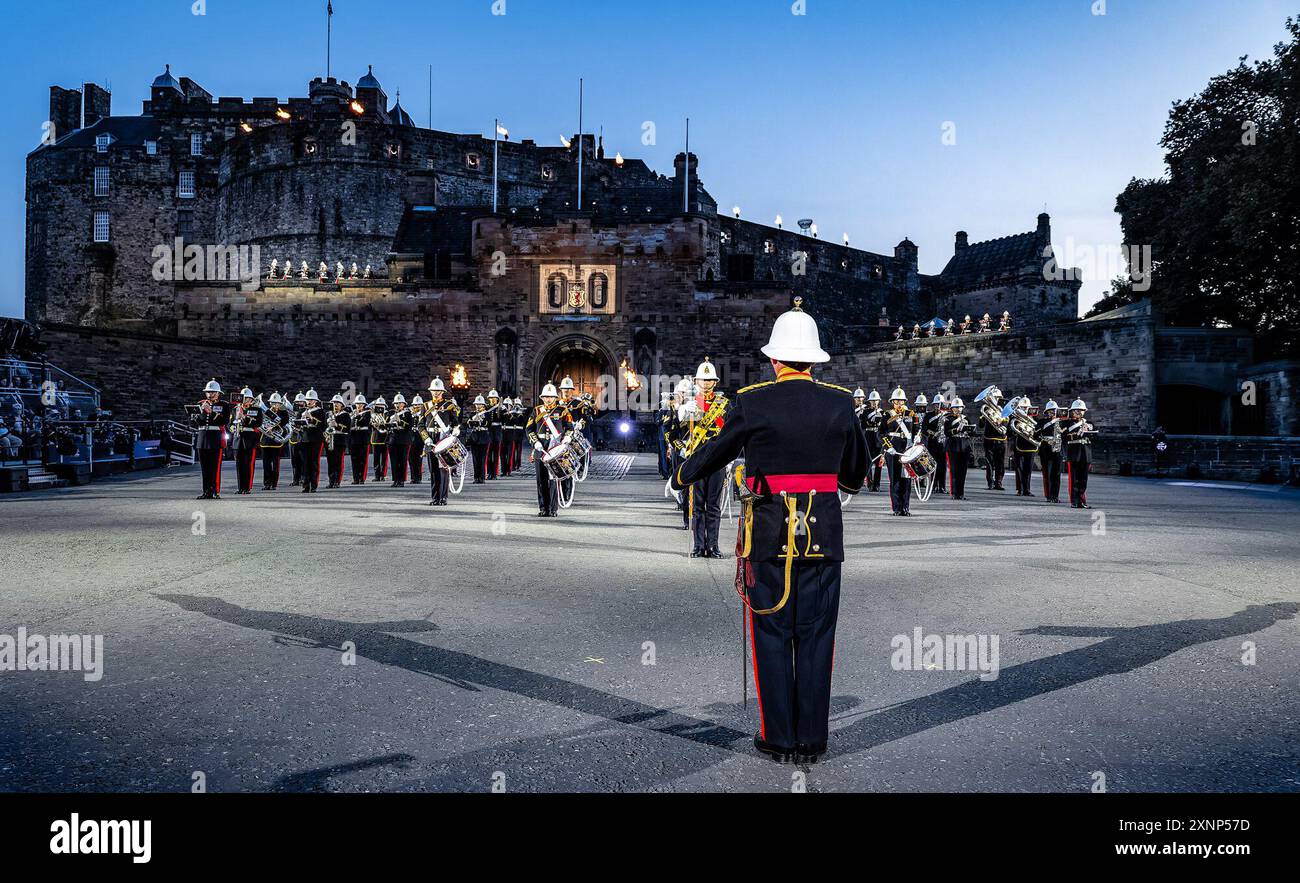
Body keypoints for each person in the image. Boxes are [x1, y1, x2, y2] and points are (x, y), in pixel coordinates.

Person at [671, 297, 867, 765]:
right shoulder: (840, 404)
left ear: (775, 359)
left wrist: (683, 474)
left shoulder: (752, 402)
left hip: (768, 536)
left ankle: (778, 738)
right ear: (814, 360)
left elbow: (715, 451)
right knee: (818, 636)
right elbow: (855, 473)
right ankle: (812, 741)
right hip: (822, 536)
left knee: (772, 633)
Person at [683, 358, 729, 558]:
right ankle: (698, 545)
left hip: (717, 459)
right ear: (696, 382)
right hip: (698, 458)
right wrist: (686, 415)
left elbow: (729, 433)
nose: (706, 383)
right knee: (697, 503)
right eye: (703, 380)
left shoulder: (725, 405)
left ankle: (714, 545)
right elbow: (678, 432)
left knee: (714, 504)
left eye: (710, 380)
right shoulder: (689, 405)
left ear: (715, 382)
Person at [526, 383, 573, 517]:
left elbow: (570, 427)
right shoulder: (536, 411)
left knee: (554, 479)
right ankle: (543, 508)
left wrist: (567, 438)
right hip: (540, 449)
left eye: (550, 397)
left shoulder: (562, 410)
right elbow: (529, 429)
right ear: (542, 397)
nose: (548, 399)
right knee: (541, 480)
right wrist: (535, 442)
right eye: (546, 397)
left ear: (555, 397)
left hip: (555, 448)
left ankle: (553, 509)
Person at [424, 378, 462, 506]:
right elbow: (420, 425)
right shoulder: (426, 406)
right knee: (433, 471)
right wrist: (426, 438)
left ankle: (443, 497)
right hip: (431, 442)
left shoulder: (448, 405)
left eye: (438, 391)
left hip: (443, 440)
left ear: (442, 392)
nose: (436, 393)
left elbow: (455, 423)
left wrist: (456, 431)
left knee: (444, 470)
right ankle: (435, 497)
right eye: (434, 391)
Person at [190, 379, 230, 500]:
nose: (210, 394)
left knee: (215, 467)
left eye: (213, 392)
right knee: (205, 468)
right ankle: (206, 491)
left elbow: (224, 421)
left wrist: (211, 412)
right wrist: (197, 415)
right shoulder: (201, 403)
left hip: (215, 437)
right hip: (202, 437)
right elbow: (196, 423)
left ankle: (215, 491)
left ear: (218, 393)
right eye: (208, 392)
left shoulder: (224, 405)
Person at [881, 388, 916, 516]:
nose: (899, 403)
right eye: (897, 401)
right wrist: (887, 446)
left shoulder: (911, 414)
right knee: (895, 479)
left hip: (907, 450)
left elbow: (917, 431)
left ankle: (905, 507)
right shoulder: (887, 415)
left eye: (901, 401)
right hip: (893, 450)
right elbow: (881, 433)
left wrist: (917, 439)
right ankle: (896, 508)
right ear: (893, 402)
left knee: (906, 480)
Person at [1064, 399, 1097, 509]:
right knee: (1074, 479)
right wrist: (1078, 433)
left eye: (1081, 410)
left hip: (1085, 453)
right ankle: (1074, 501)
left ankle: (1082, 500)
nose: (1079, 412)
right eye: (1077, 410)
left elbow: (1096, 437)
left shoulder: (1089, 423)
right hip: (1074, 453)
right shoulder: (1067, 423)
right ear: (1072, 411)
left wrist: (1088, 430)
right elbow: (1064, 437)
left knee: (1083, 480)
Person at [231, 388, 264, 495]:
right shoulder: (235, 409)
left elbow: (258, 423)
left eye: (247, 398)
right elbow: (230, 423)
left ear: (251, 399)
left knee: (248, 464)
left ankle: (247, 487)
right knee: (239, 464)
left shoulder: (256, 409)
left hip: (250, 438)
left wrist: (244, 418)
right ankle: (240, 487)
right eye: (243, 398)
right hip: (238, 438)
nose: (245, 400)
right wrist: (232, 427)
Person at [979, 386, 1008, 491]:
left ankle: (998, 483)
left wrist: (1001, 421)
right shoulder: (986, 409)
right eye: (993, 397)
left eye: (997, 397)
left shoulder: (1004, 409)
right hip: (989, 439)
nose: (995, 400)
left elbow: (1007, 423)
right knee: (989, 462)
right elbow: (981, 425)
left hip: (1001, 439)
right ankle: (990, 483)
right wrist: (985, 416)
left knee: (1000, 463)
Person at [944, 396, 973, 500]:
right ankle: (955, 493)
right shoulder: (948, 418)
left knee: (963, 471)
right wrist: (957, 430)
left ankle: (961, 493)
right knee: (954, 471)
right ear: (952, 408)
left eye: (960, 407)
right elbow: (946, 432)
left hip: (964, 446)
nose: (958, 409)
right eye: (956, 407)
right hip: (953, 446)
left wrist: (970, 430)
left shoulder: (966, 418)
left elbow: (971, 432)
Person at [299, 390, 327, 493]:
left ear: (315, 401)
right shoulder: (301, 411)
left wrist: (311, 418)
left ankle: (314, 485)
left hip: (316, 439)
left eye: (311, 400)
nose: (309, 402)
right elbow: (297, 425)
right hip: (304, 439)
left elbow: (323, 426)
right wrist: (301, 420)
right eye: (307, 400)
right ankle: (306, 485)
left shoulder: (320, 411)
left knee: (314, 462)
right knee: (305, 463)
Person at [260, 393, 290, 490]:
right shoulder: (265, 412)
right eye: (272, 403)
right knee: (266, 464)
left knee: (275, 464)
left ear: (280, 404)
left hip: (276, 441)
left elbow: (285, 423)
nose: (274, 405)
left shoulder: (283, 413)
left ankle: (274, 483)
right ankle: (266, 483)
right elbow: (261, 422)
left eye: (276, 403)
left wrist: (273, 427)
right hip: (265, 440)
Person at [1036, 400, 1063, 503]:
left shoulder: (1061, 421)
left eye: (1054, 410)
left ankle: (1055, 496)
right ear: (1047, 412)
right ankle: (1048, 495)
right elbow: (1036, 434)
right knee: (1047, 473)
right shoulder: (1042, 422)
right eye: (1050, 411)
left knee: (1056, 474)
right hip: (1046, 449)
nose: (1053, 412)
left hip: (1058, 449)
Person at [388, 393, 415, 487]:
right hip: (393, 440)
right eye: (396, 403)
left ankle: (401, 480)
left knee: (402, 460)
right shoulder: (391, 413)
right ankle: (395, 479)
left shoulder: (407, 414)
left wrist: (400, 422)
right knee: (394, 461)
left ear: (404, 404)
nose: (397, 405)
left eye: (399, 403)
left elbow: (409, 427)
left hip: (404, 440)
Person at [324, 393, 351, 489]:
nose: (335, 405)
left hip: (339, 440)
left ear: (342, 405)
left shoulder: (345, 415)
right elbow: (324, 427)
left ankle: (337, 481)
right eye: (333, 403)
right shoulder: (328, 414)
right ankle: (331, 481)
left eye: (337, 403)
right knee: (330, 462)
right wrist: (326, 435)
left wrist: (337, 425)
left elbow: (347, 429)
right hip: (329, 439)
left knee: (338, 462)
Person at [861, 389, 884, 492]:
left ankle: (877, 484)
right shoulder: (865, 412)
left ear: (879, 401)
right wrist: (871, 421)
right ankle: (870, 482)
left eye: (876, 400)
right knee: (869, 462)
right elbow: (863, 424)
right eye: (872, 401)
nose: (874, 402)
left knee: (879, 463)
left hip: (878, 439)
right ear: (869, 401)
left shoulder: (883, 412)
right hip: (869, 437)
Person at [926, 393, 948, 495]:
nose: (938, 406)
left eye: (939, 404)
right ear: (933, 405)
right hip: (932, 443)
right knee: (933, 466)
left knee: (942, 466)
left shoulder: (946, 415)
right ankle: (933, 486)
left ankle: (942, 487)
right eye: (936, 404)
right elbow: (924, 429)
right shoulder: (928, 415)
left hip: (942, 444)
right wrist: (933, 433)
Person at [466, 395, 491, 484]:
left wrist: (481, 420)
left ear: (483, 405)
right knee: (475, 459)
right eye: (477, 404)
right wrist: (470, 422)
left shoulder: (487, 414)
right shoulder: (472, 414)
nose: (478, 406)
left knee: (482, 458)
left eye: (480, 404)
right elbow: (468, 424)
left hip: (483, 437)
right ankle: (476, 477)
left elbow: (488, 423)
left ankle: (482, 477)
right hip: (475, 437)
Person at [347, 395, 372, 484]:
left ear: (364, 404)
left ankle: (362, 478)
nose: (359, 405)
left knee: (363, 459)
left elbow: (365, 422)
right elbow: (350, 425)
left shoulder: (367, 413)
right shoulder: (352, 413)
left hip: (363, 439)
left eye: (361, 404)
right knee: (354, 460)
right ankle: (355, 478)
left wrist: (357, 416)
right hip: (354, 438)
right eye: (357, 404)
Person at [369, 396, 391, 482]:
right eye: (378, 405)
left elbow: (387, 424)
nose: (380, 407)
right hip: (375, 438)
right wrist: (372, 423)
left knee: (384, 459)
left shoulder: (387, 414)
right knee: (376, 459)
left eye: (382, 405)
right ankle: (377, 475)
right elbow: (369, 425)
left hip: (385, 438)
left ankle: (382, 475)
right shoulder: (373, 414)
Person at [407, 395, 426, 484]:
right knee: (411, 458)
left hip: (420, 438)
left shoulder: (423, 414)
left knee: (418, 459)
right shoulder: (410, 414)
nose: (416, 407)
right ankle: (413, 477)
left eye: (418, 405)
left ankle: (418, 477)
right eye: (415, 405)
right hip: (411, 439)